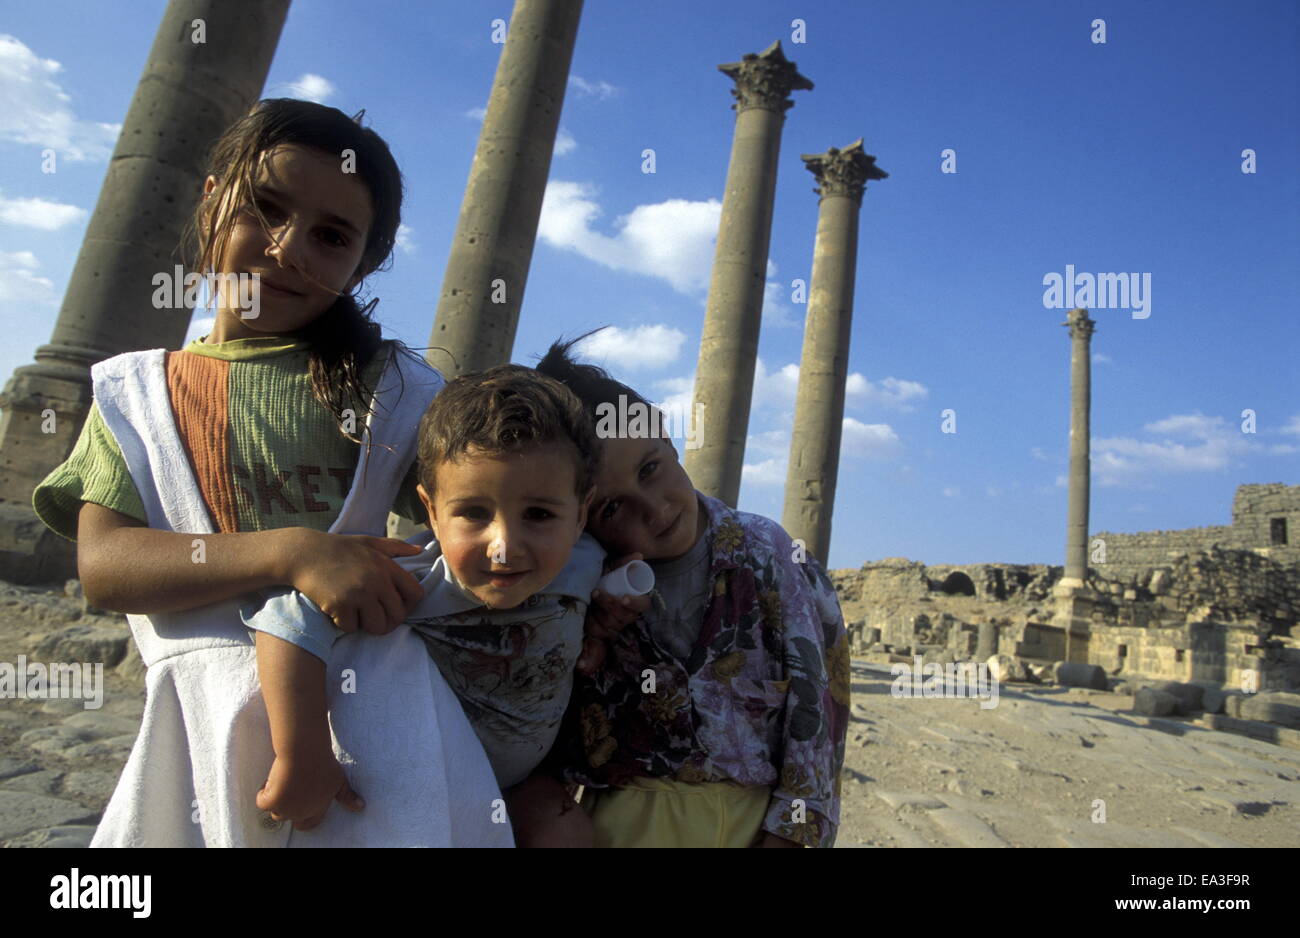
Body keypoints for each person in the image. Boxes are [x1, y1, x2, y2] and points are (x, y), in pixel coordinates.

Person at [32, 98, 508, 847]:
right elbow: (104, 566)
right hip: (199, 731)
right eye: (266, 208)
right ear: (211, 195)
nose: (288, 249)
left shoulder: (400, 391)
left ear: (366, 262)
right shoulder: (137, 392)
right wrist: (295, 552)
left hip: (379, 732)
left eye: (331, 235)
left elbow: (497, 504)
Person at [241, 366, 607, 839]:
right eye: (474, 513)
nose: (504, 545)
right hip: (429, 782)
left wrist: (617, 610)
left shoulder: (589, 562)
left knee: (569, 834)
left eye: (538, 514)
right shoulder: (413, 580)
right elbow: (286, 618)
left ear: (580, 516)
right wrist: (302, 754)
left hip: (524, 783)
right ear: (431, 511)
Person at [536, 331, 851, 848]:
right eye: (612, 508)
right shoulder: (580, 580)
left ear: (667, 436)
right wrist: (587, 635)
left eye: (651, 469)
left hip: (747, 826)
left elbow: (817, 705)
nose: (654, 509)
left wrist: (798, 831)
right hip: (618, 822)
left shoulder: (765, 552)